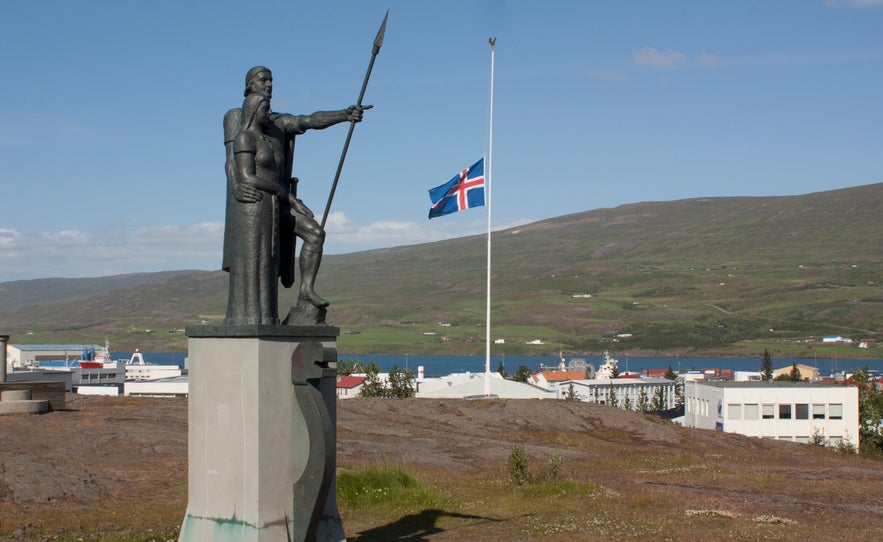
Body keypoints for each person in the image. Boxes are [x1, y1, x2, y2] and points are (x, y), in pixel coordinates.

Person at [223, 66, 366, 325]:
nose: (269, 84)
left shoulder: (279, 122)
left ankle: (306, 290)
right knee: (259, 262)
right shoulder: (235, 118)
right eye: (263, 80)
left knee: (315, 233)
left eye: (271, 80)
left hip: (281, 199)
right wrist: (237, 187)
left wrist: (344, 115)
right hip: (255, 201)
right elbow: (232, 162)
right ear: (250, 85)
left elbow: (309, 120)